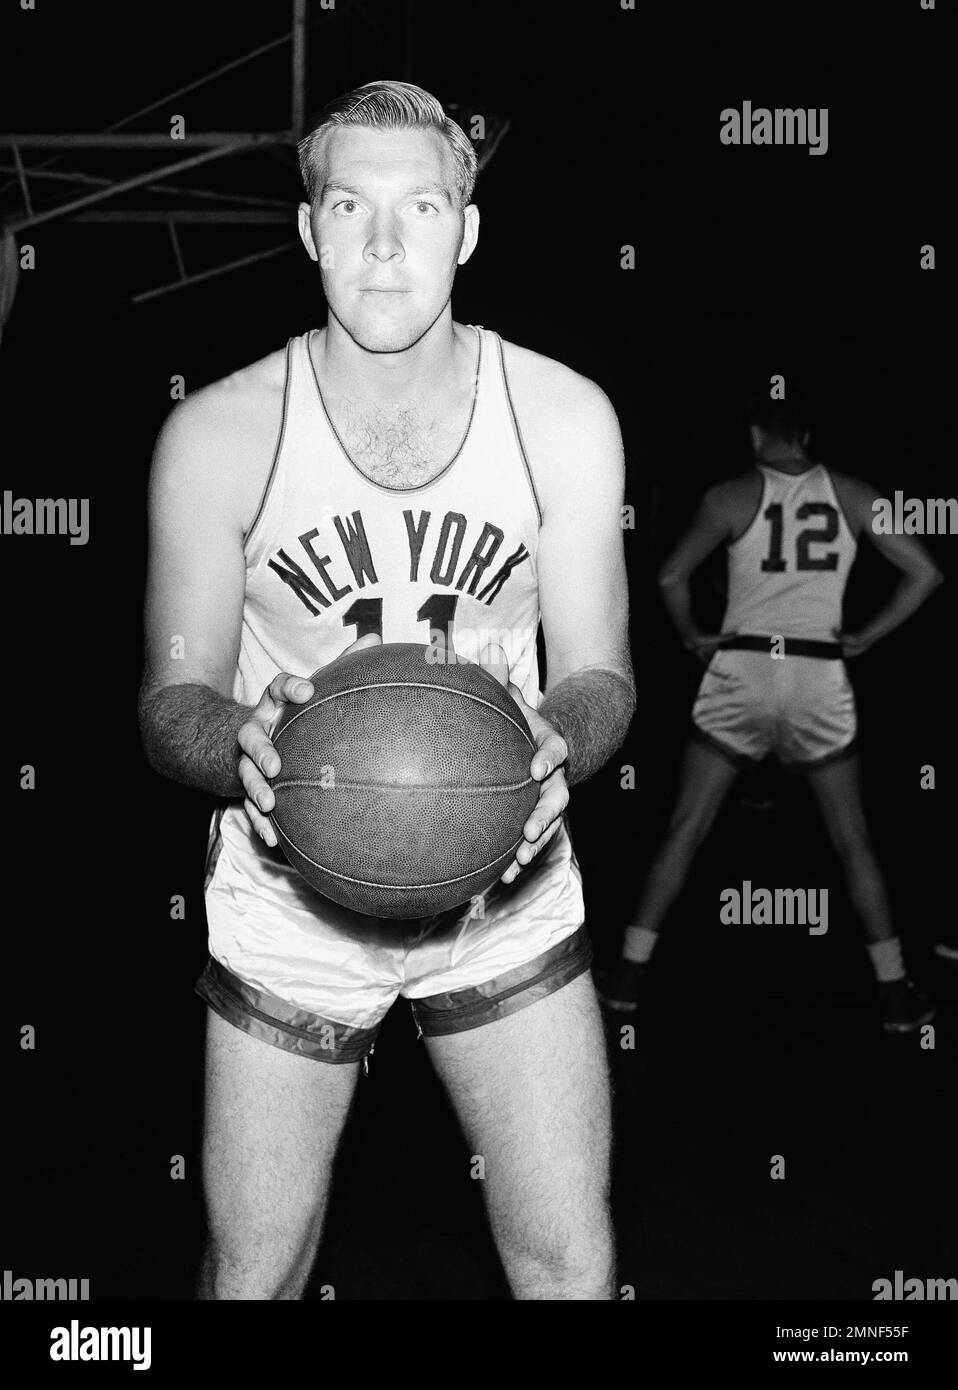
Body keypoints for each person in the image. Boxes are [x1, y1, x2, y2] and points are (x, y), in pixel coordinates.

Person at [138, 80, 635, 1300]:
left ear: (466, 228)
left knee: (568, 1259)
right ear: (307, 230)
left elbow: (601, 675)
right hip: (287, 888)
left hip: (506, 872)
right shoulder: (217, 433)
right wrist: (236, 743)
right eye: (349, 204)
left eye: (420, 205)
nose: (382, 243)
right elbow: (169, 701)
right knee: (253, 1268)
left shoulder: (564, 418)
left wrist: (549, 746)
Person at [599, 398, 942, 1034]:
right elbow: (923, 571)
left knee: (686, 828)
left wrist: (692, 636)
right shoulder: (855, 493)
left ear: (757, 433)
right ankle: (896, 992)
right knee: (852, 838)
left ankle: (627, 978)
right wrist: (866, 636)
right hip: (817, 672)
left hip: (742, 669)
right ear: (807, 433)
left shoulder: (730, 494)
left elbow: (672, 576)